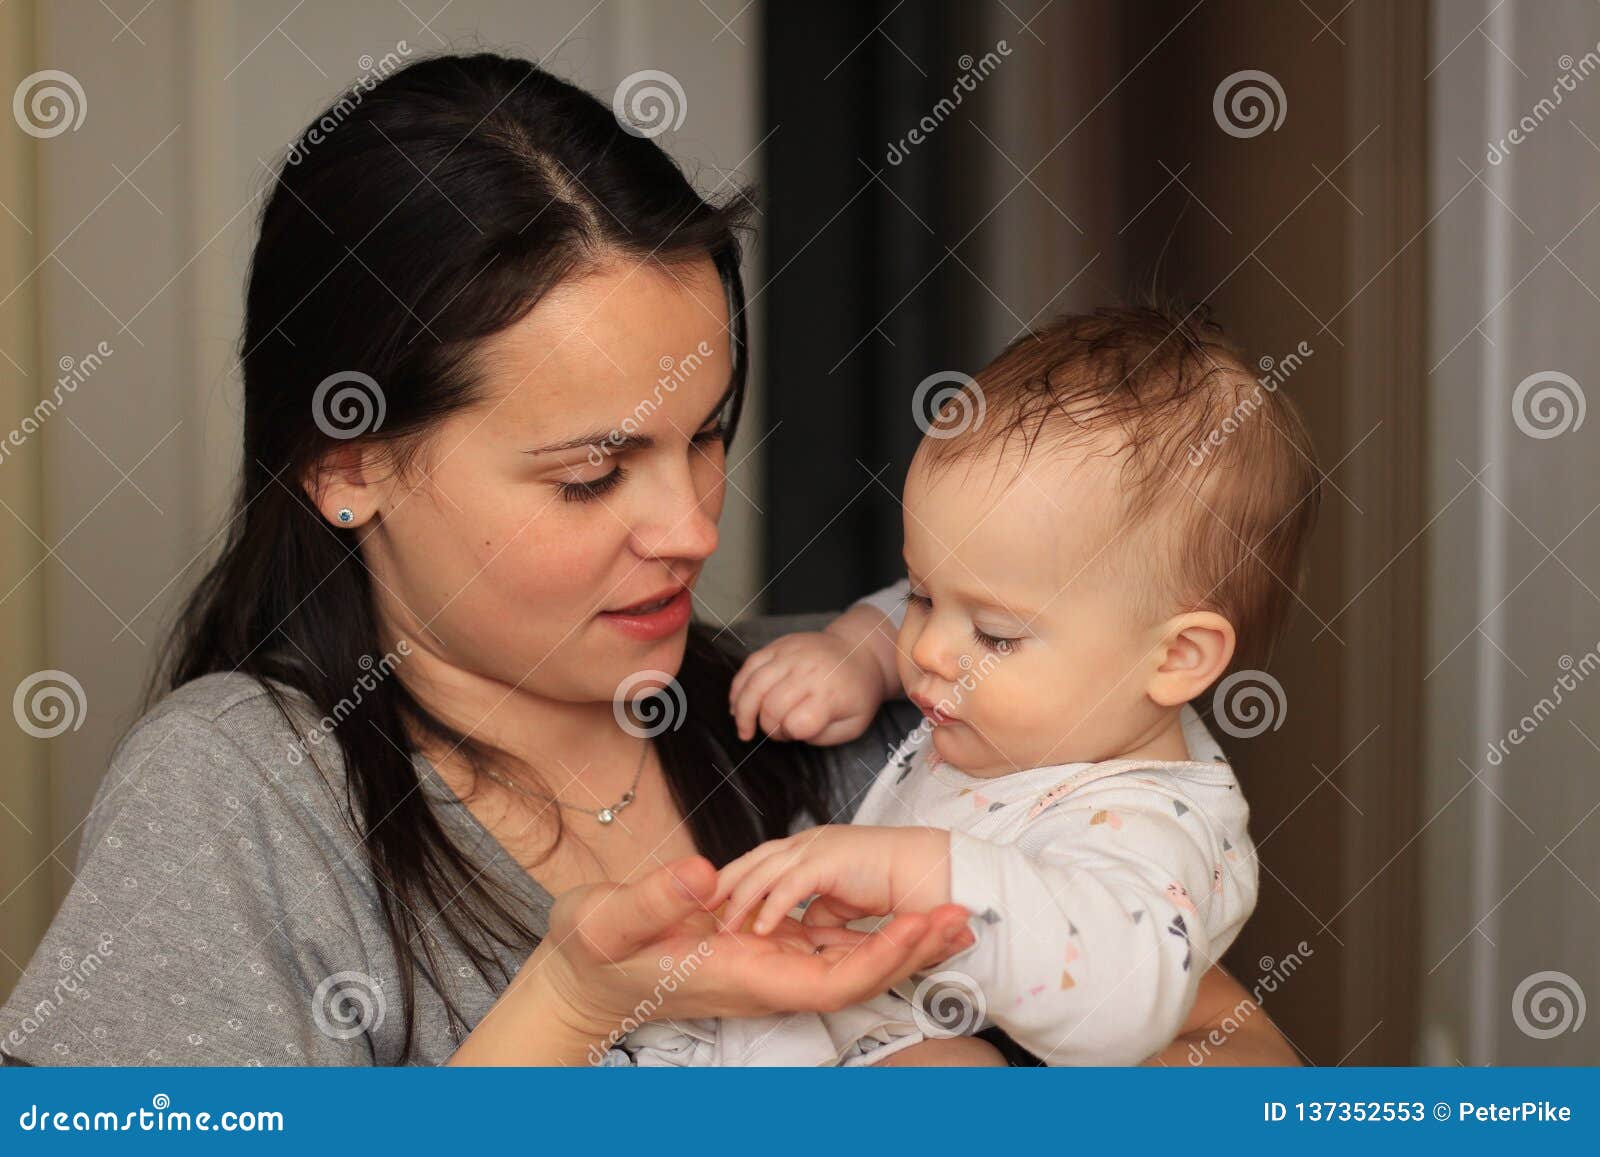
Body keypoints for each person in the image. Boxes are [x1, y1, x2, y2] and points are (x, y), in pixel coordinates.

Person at [0, 53, 1299, 1069]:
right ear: (347, 463)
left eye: (710, 435)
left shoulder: (891, 722)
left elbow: (1235, 1059)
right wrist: (572, 1002)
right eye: (591, 474)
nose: (692, 527)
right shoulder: (248, 795)